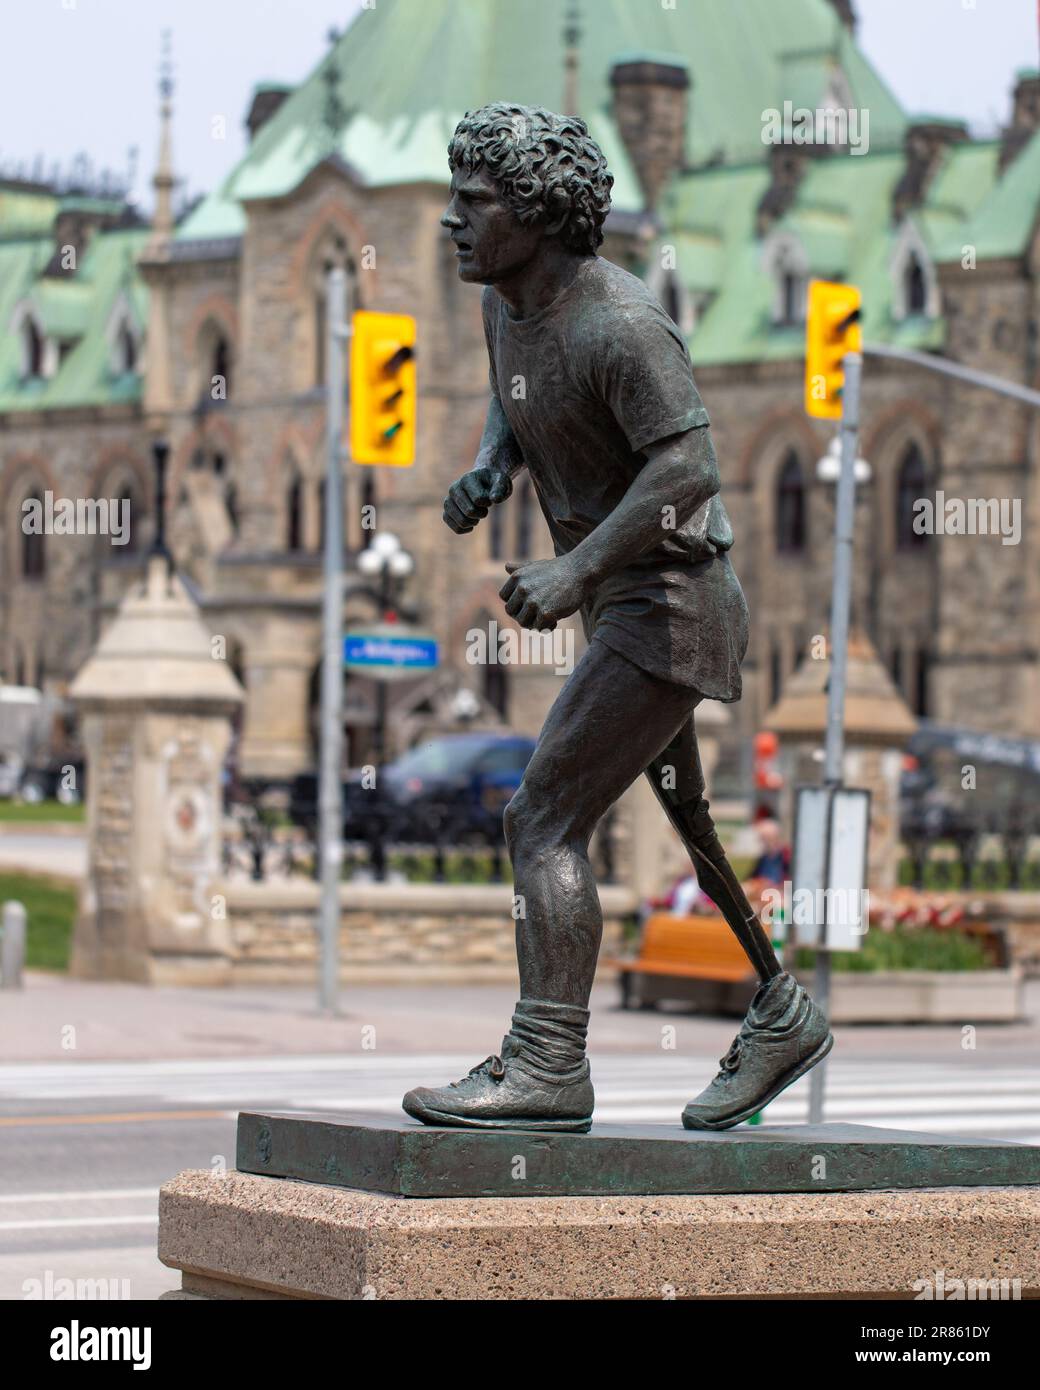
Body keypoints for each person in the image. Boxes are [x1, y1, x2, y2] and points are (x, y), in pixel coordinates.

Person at [402, 104, 830, 1133]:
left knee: (541, 817)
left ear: (538, 215)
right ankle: (782, 1011)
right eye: (453, 197)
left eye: (474, 202)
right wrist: (487, 467)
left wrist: (572, 567)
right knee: (691, 826)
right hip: (624, 603)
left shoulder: (624, 325)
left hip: (671, 607)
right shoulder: (503, 301)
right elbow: (516, 393)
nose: (452, 221)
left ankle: (549, 1062)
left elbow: (688, 468)